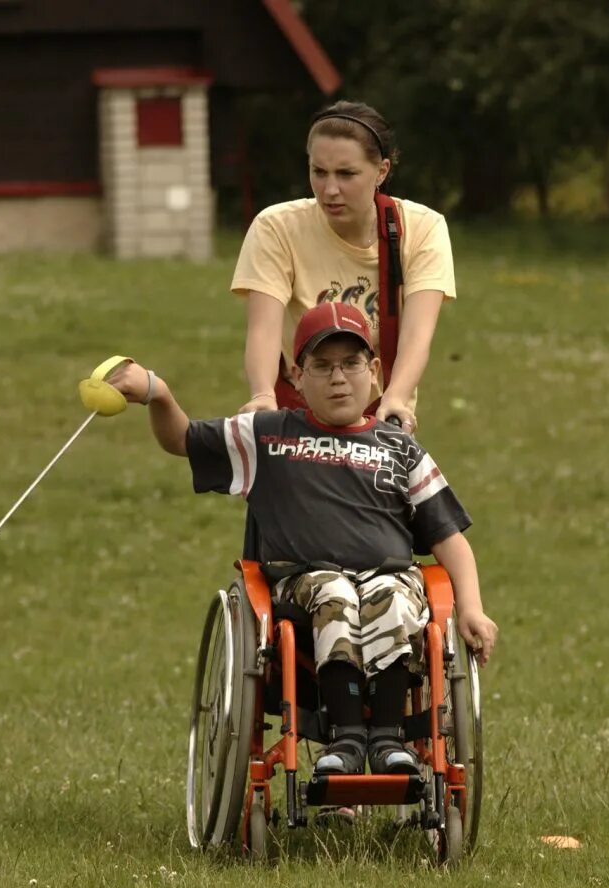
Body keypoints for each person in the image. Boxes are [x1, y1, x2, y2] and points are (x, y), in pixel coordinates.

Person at [106, 301, 497, 780]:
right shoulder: (268, 437)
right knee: (334, 591)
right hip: (301, 587)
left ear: (374, 372)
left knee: (393, 594)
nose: (338, 378)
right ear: (296, 375)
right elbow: (183, 440)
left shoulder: (401, 450)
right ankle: (348, 739)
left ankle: (389, 738)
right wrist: (157, 393)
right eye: (322, 366)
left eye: (351, 363)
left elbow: (449, 539)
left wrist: (472, 609)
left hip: (388, 579)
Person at [231, 100, 455, 435]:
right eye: (319, 172)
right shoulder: (276, 227)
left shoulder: (422, 228)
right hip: (299, 410)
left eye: (346, 174)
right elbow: (264, 327)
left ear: (381, 171)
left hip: (378, 416)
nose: (330, 190)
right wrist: (262, 395)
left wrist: (396, 398)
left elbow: (417, 335)